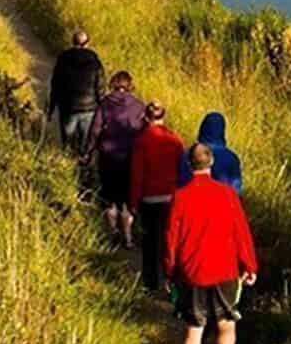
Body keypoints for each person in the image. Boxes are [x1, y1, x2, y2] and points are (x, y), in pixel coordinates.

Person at [163, 142, 259, 344]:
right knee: (227, 323)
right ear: (212, 162)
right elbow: (241, 233)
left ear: (188, 164)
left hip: (192, 272)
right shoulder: (227, 194)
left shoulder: (180, 197)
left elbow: (171, 238)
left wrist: (170, 271)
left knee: (194, 330)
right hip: (225, 269)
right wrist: (249, 266)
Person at [128, 102, 185, 294]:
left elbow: (137, 174)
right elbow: (182, 170)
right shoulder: (175, 140)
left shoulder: (142, 141)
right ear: (164, 116)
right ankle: (171, 282)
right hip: (171, 197)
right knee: (169, 241)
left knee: (150, 241)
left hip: (149, 198)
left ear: (146, 117)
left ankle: (150, 282)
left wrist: (133, 203)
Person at [89, 70, 147, 245]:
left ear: (113, 83)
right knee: (127, 202)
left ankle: (112, 233)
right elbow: (144, 131)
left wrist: (90, 151)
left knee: (110, 199)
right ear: (129, 85)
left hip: (108, 157)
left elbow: (95, 129)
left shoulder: (105, 103)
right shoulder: (138, 105)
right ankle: (128, 237)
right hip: (129, 158)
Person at [46, 29, 103, 154]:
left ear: (72, 42)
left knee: (67, 142)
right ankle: (82, 167)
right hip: (89, 108)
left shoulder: (63, 59)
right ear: (87, 43)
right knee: (85, 143)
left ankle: (67, 164)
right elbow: (99, 87)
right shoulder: (95, 61)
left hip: (68, 107)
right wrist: (102, 109)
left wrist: (50, 109)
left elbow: (55, 85)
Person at [176, 111, 242, 192]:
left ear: (202, 128)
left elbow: (181, 183)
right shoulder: (231, 158)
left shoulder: (188, 155)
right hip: (222, 202)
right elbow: (236, 189)